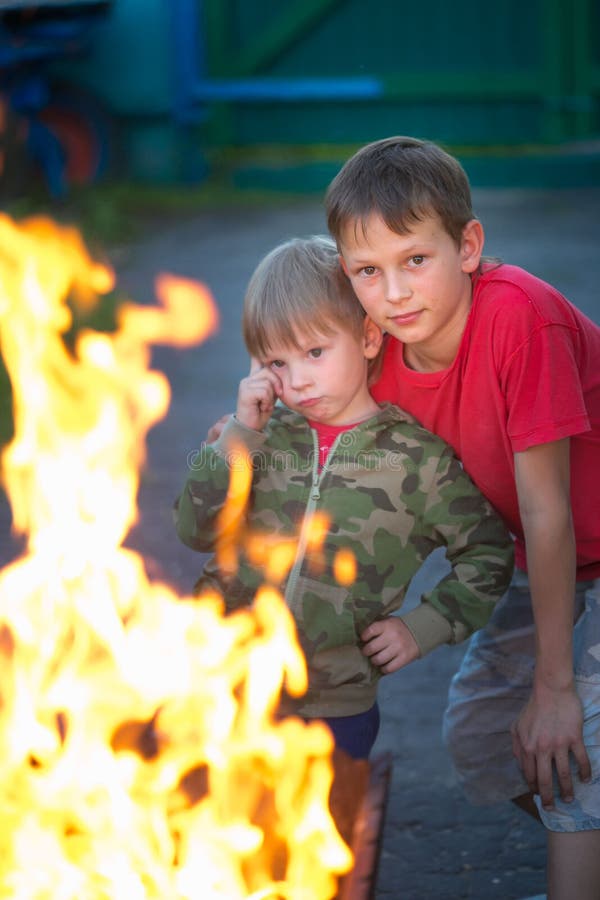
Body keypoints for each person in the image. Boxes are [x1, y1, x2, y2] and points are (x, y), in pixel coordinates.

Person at [324, 135, 600, 898]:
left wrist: (555, 688)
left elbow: (547, 511)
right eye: (367, 272)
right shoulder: (379, 350)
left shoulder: (519, 318)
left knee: (575, 750)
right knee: (481, 739)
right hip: (552, 563)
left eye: (416, 259)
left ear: (468, 245)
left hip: (575, 545)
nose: (395, 292)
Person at [175, 235, 514, 761]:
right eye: (277, 362)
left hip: (338, 709)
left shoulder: (417, 459)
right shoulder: (251, 438)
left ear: (368, 337)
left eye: (315, 352)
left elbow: (490, 553)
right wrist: (237, 436)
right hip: (226, 686)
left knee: (329, 835)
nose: (299, 380)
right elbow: (193, 531)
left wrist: (421, 627)